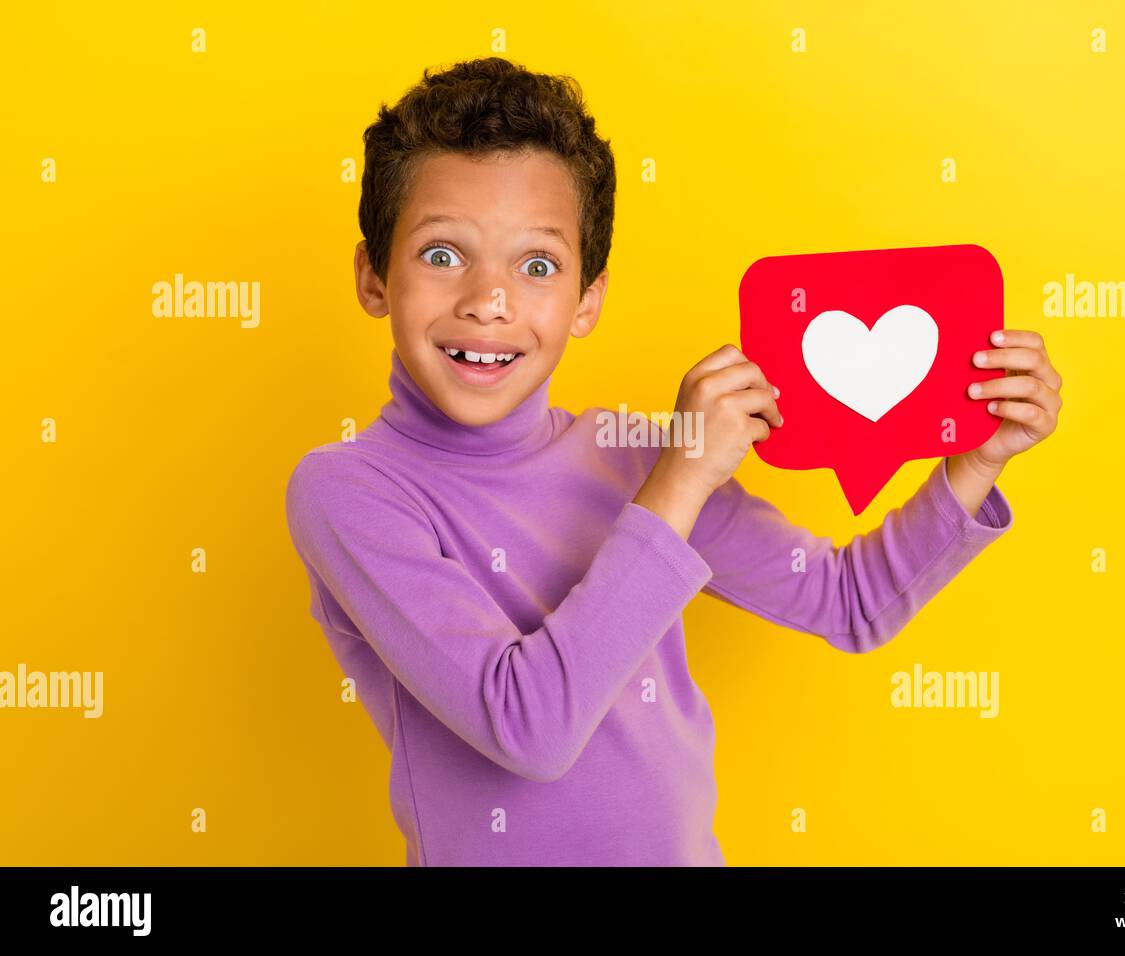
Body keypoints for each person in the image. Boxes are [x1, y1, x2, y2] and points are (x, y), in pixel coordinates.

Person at [284, 56, 1063, 866]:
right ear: (374, 277)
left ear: (588, 299)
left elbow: (849, 603)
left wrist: (974, 464)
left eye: (538, 265)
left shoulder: (634, 457)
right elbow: (528, 727)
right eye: (442, 255)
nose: (489, 300)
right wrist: (683, 479)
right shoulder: (349, 489)